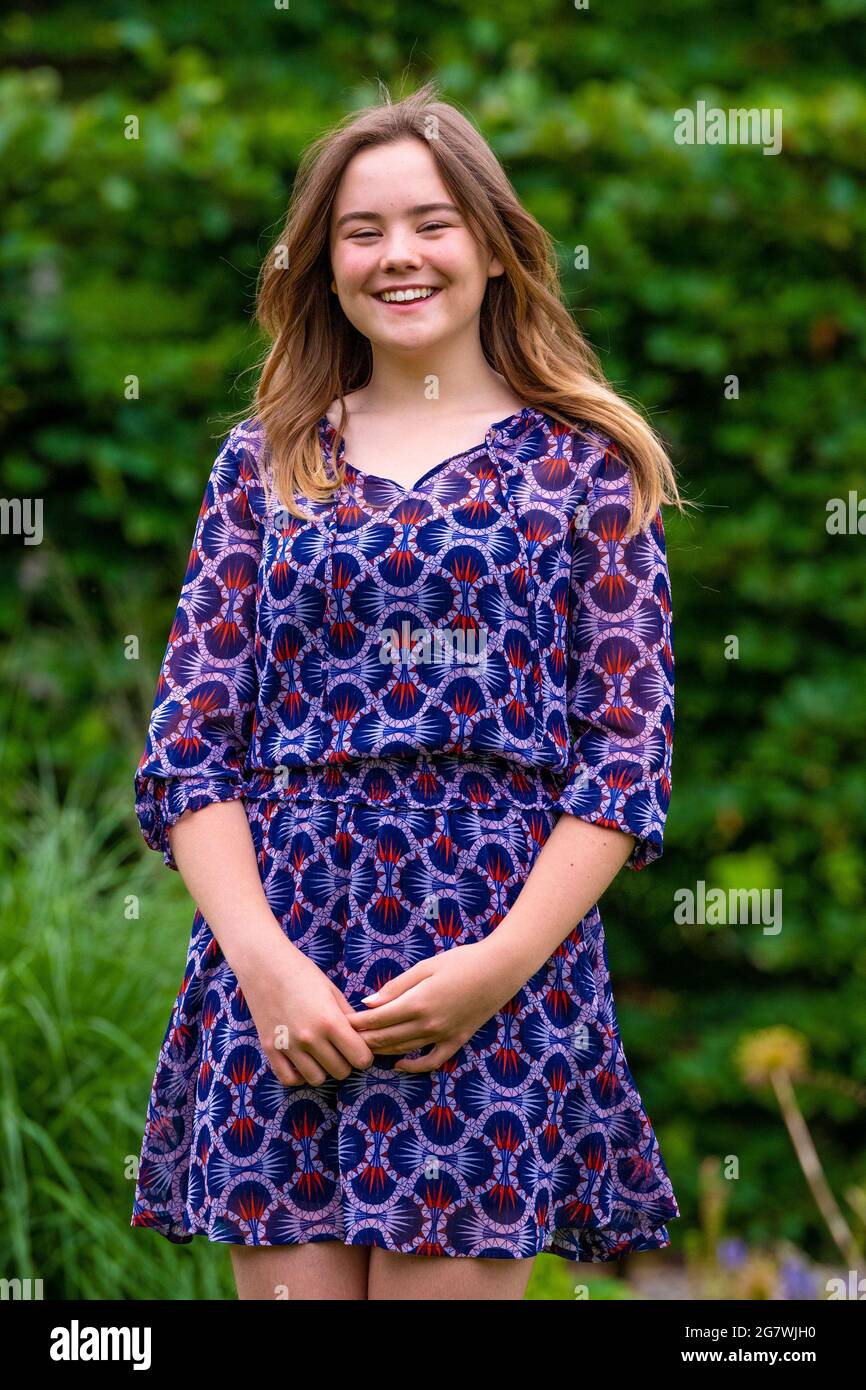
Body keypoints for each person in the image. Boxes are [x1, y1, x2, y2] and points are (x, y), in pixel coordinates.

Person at [130, 79, 689, 1302]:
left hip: (493, 971)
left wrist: (499, 965)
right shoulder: (264, 463)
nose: (398, 255)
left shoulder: (589, 468)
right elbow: (188, 747)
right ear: (321, 263)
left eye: (431, 222)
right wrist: (263, 967)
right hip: (282, 976)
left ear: (491, 247)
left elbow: (622, 762)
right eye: (360, 229)